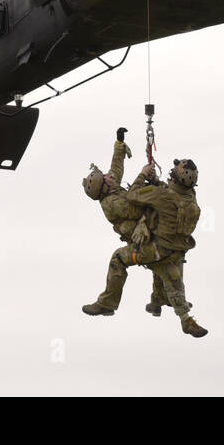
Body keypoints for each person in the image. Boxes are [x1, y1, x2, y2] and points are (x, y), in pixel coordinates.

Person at [83, 155, 208, 339]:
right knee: (168, 274)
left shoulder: (159, 195)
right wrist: (153, 181)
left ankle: (109, 303)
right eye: (106, 177)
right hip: (176, 246)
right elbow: (142, 202)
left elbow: (135, 195)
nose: (110, 176)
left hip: (157, 247)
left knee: (123, 259)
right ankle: (161, 303)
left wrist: (143, 176)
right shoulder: (188, 195)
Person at [81, 128, 168, 313]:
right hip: (141, 239)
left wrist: (119, 143)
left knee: (160, 262)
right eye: (105, 177)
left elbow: (116, 167)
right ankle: (107, 304)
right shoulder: (112, 203)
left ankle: (159, 300)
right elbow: (136, 205)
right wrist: (143, 176)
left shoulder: (110, 188)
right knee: (119, 258)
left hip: (150, 233)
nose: (108, 175)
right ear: (104, 187)